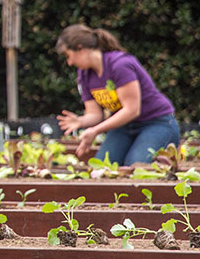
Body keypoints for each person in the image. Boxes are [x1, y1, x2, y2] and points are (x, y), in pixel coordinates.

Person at [55, 24, 179, 166]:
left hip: (156, 122)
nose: (69, 63)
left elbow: (132, 110)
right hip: (124, 126)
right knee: (101, 167)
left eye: (68, 56)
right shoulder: (85, 74)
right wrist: (80, 121)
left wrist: (95, 131)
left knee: (136, 167)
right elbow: (95, 114)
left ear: (80, 48)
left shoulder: (119, 64)